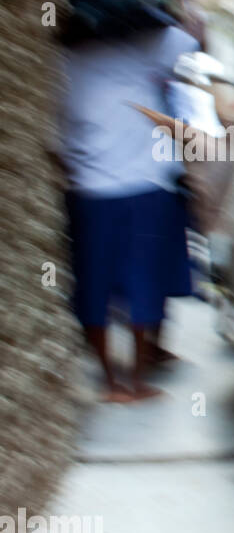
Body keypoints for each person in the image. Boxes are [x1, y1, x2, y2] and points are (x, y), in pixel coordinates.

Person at [57, 24, 199, 401]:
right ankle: (136, 381)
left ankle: (110, 382)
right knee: (145, 285)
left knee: (92, 286)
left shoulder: (64, 58)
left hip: (90, 189)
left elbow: (55, 138)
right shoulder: (146, 38)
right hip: (146, 188)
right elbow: (192, 37)